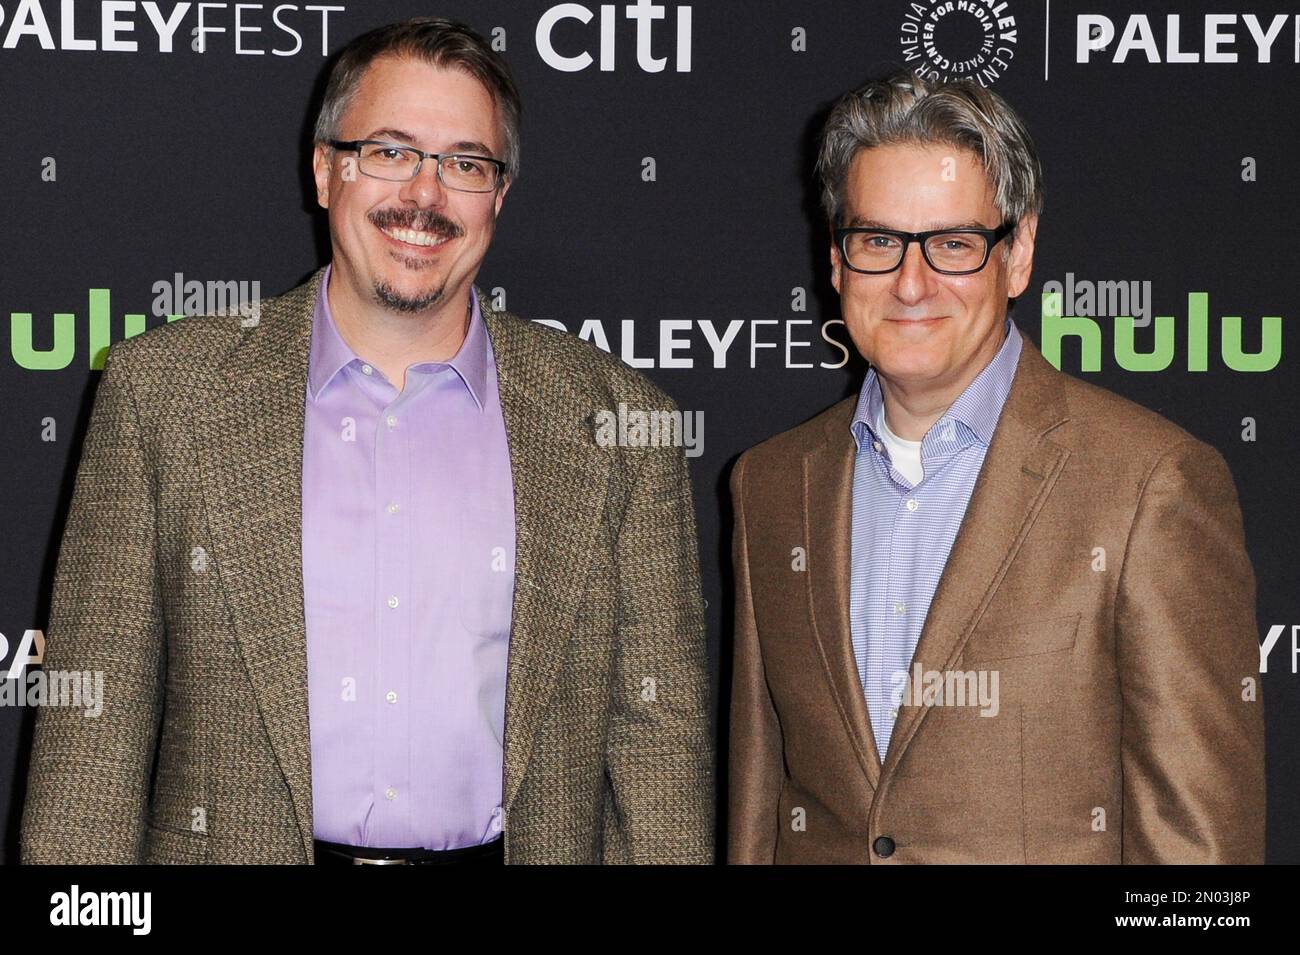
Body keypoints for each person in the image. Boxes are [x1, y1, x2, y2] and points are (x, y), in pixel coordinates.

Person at [22, 17, 713, 865]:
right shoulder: (165, 396)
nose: (424, 194)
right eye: (389, 150)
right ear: (325, 169)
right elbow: (91, 748)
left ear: (498, 195)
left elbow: (659, 754)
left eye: (465, 162)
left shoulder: (618, 428)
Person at [727, 69, 1264, 864]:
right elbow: (760, 806)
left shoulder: (1150, 483)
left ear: (1017, 256)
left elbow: (1200, 858)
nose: (911, 284)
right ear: (835, 261)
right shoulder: (769, 486)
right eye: (877, 240)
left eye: (952, 244)